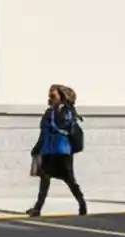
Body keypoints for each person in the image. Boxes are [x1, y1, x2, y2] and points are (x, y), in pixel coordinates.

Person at [26, 84, 87, 217]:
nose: (50, 99)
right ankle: (37, 208)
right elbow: (43, 132)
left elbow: (66, 127)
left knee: (69, 179)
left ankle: (82, 204)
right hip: (49, 150)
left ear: (62, 97)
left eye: (53, 96)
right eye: (49, 96)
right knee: (45, 178)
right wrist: (37, 148)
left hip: (62, 150)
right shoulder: (50, 112)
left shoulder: (67, 112)